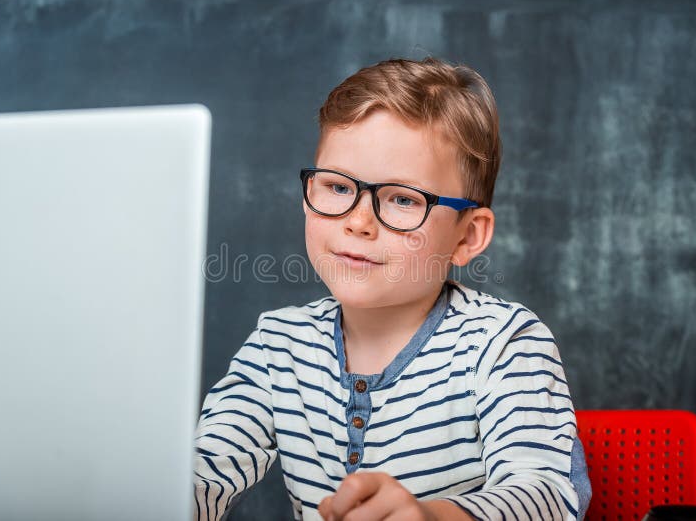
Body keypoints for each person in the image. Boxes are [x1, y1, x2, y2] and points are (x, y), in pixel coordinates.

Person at [193, 57, 592, 521]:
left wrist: (432, 518)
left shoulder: (503, 343)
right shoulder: (277, 346)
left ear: (467, 236)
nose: (358, 221)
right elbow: (201, 476)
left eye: (403, 198)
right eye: (338, 187)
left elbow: (545, 494)